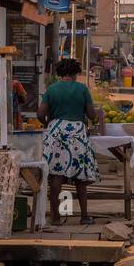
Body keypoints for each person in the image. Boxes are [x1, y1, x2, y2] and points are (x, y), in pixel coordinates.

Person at [38, 58, 101, 226]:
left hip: (55, 131)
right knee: (80, 177)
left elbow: (40, 114)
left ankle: (56, 217)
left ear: (60, 73)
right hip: (77, 133)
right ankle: (84, 216)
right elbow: (91, 114)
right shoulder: (82, 89)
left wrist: (50, 125)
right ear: (75, 73)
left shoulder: (51, 89)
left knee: (56, 175)